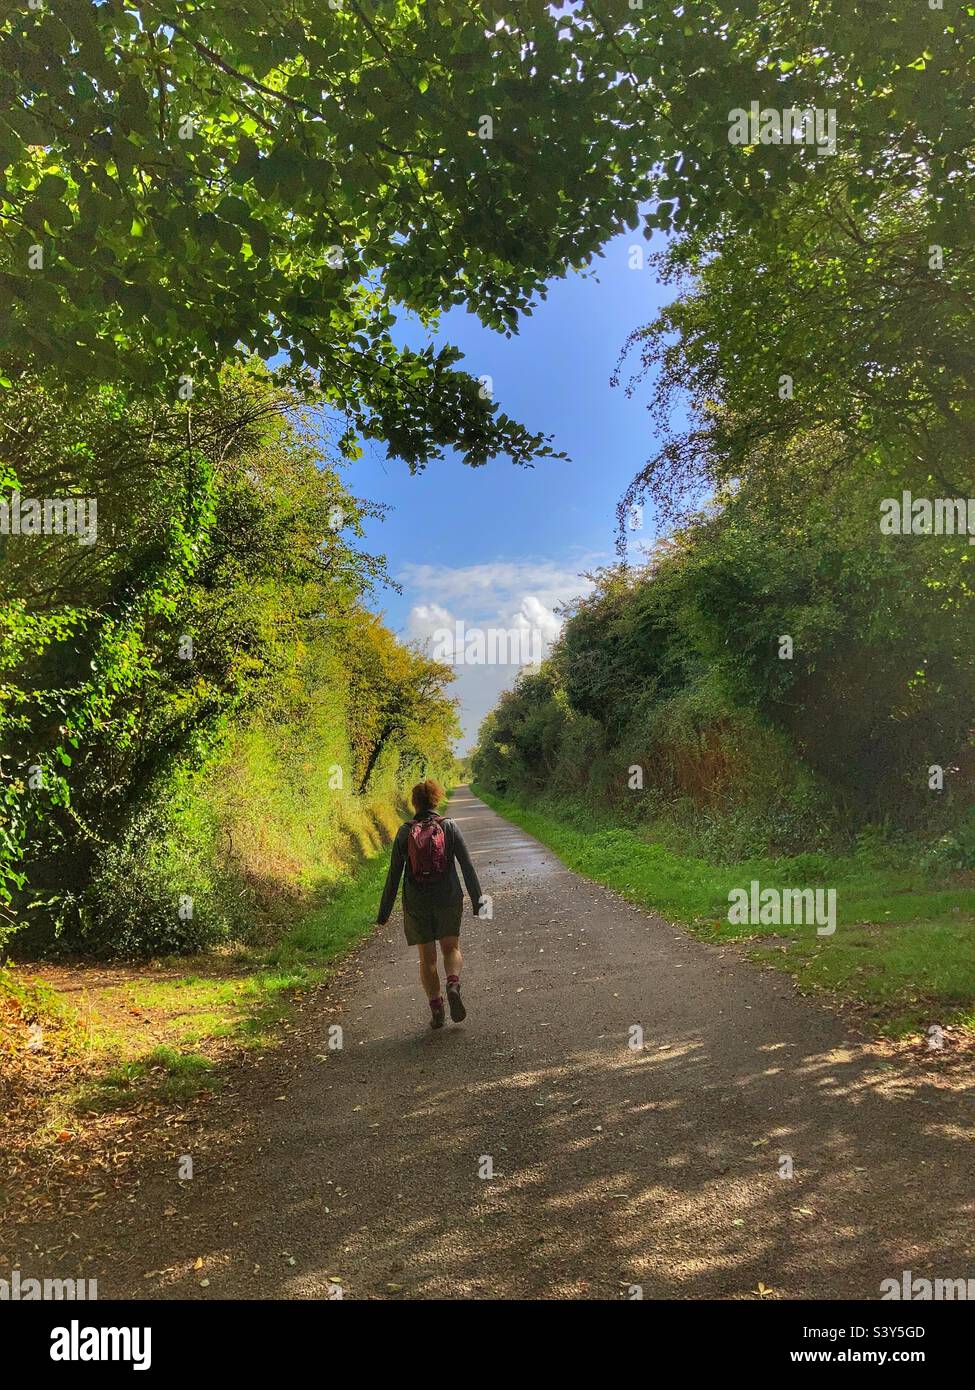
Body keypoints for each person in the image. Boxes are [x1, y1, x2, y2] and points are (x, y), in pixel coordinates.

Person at [376, 779, 483, 1029]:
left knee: (427, 958)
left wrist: (384, 912)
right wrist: (478, 901)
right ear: (436, 799)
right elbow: (466, 865)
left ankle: (437, 1008)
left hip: (417, 902)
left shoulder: (405, 831)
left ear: (414, 803)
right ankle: (453, 983)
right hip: (448, 895)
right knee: (451, 948)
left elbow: (393, 874)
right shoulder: (449, 827)